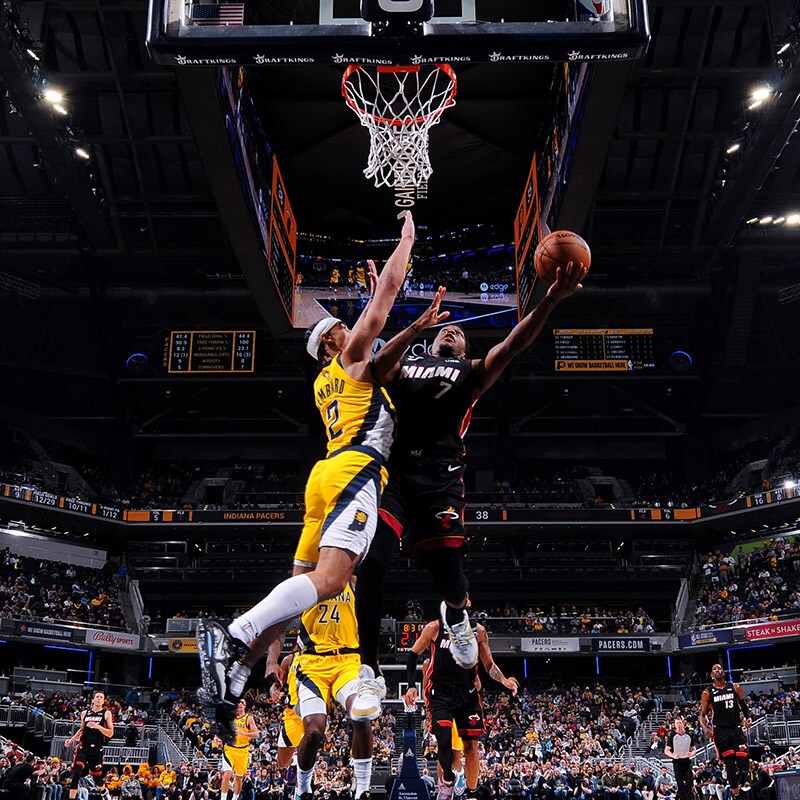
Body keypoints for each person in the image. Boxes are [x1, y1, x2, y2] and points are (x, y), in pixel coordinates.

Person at [198, 214, 443, 735]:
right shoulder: (351, 352)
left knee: (298, 589)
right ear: (332, 341)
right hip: (355, 471)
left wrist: (415, 330)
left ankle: (235, 679)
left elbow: (383, 363)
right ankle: (235, 636)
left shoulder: (329, 381)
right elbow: (388, 296)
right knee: (331, 582)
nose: (348, 327)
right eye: (339, 326)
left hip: (323, 477)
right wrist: (405, 241)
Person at [358, 260, 588, 672]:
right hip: (393, 475)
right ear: (430, 343)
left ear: (466, 350)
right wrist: (412, 326)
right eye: (448, 329)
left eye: (461, 333)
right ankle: (368, 666)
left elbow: (513, 345)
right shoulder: (406, 361)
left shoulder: (472, 372)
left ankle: (459, 614)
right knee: (372, 563)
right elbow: (375, 369)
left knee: (449, 577)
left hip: (440, 480)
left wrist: (550, 299)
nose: (453, 331)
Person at [266, 578, 376, 800]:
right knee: (315, 729)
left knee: (361, 715)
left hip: (348, 661)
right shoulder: (304, 585)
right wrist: (271, 661)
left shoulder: (355, 584)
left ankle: (363, 789)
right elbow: (277, 624)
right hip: (312, 665)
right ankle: (303, 787)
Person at [402, 615, 518, 800]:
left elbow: (488, 667)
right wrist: (412, 687)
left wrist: (503, 680)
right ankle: (447, 781)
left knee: (470, 746)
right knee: (445, 743)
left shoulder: (478, 632)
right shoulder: (434, 630)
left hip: (466, 696)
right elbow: (413, 657)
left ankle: (470, 792)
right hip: (440, 695)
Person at [699, 664, 751, 798]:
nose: (718, 670)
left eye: (720, 668)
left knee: (743, 763)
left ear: (723, 672)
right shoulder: (707, 692)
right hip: (720, 732)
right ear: (711, 675)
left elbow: (745, 708)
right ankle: (736, 794)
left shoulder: (735, 687)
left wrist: (748, 718)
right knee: (729, 765)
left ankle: (743, 785)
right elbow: (701, 715)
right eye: (714, 669)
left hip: (736, 728)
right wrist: (705, 728)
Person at [64, 690, 114, 800]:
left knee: (97, 781)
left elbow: (110, 733)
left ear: (103, 700)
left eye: (101, 697)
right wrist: (71, 740)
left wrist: (98, 727)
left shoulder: (106, 714)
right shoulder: (85, 713)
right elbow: (81, 730)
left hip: (96, 748)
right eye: (97, 697)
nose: (99, 698)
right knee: (77, 772)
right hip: (83, 746)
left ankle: (104, 791)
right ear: (93, 699)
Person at [220, 700, 259, 800]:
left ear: (245, 706)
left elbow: (256, 734)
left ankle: (235, 798)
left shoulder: (248, 718)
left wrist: (244, 733)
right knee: (227, 773)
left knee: (238, 778)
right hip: (229, 749)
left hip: (243, 751)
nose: (238, 707)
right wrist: (218, 737)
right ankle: (223, 798)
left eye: (241, 705)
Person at [664, 719, 695, 800]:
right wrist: (673, 756)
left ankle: (687, 796)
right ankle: (682, 797)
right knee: (680, 784)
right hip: (677, 762)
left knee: (689, 781)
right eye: (677, 723)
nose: (678, 725)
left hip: (686, 761)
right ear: (674, 725)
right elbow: (666, 750)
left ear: (683, 724)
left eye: (680, 723)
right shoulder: (673, 736)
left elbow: (694, 748)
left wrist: (691, 753)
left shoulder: (688, 735)